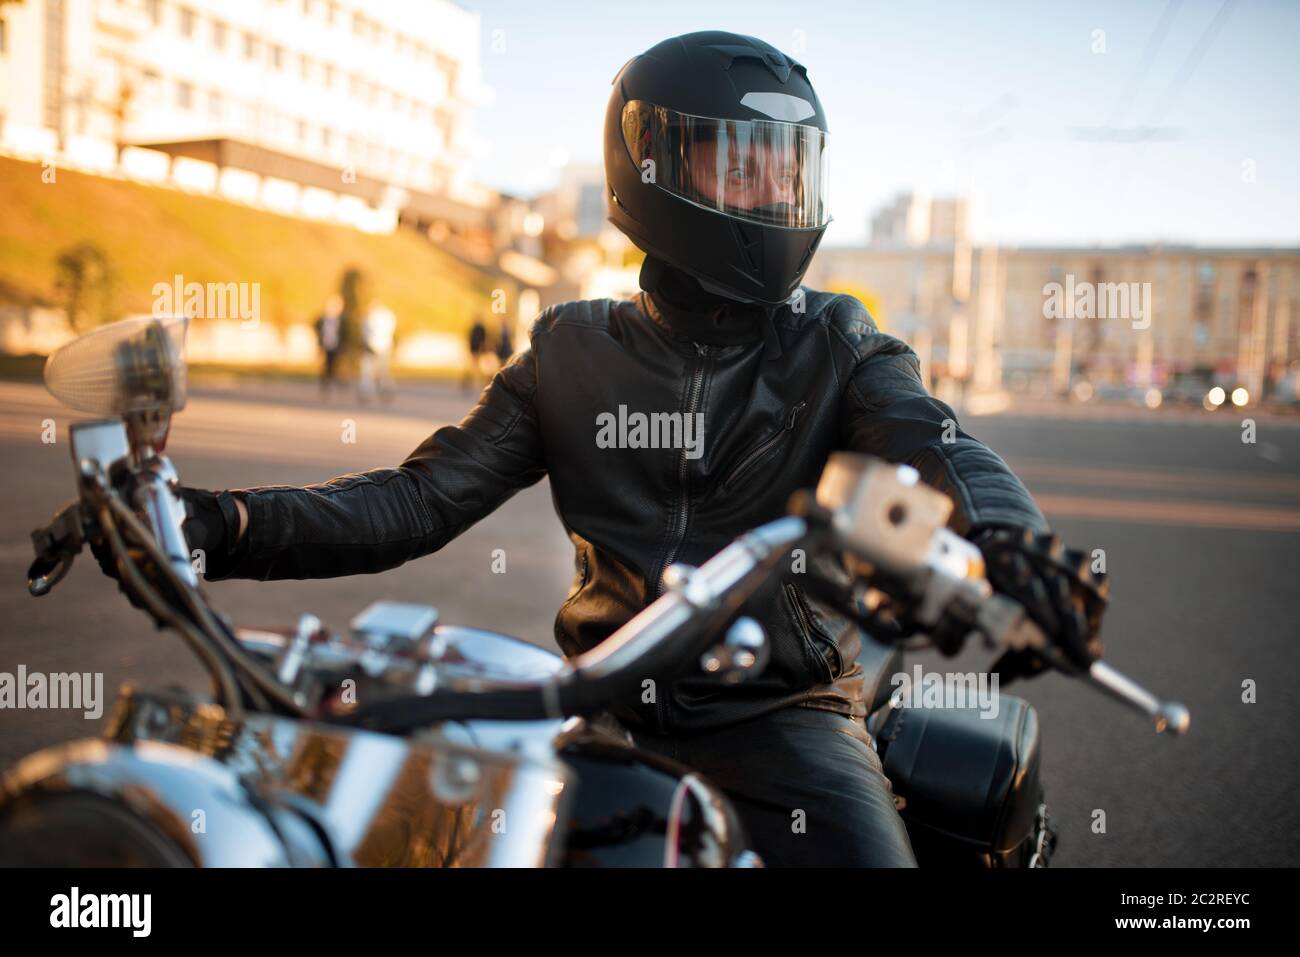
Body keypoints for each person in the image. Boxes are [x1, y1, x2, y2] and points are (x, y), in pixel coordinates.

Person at [125, 32, 1105, 867]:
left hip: (785, 714)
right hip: (601, 700)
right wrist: (221, 522)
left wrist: (1007, 541)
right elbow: (419, 500)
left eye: (786, 165)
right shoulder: (571, 350)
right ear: (655, 165)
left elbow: (937, 445)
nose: (771, 189)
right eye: (741, 161)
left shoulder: (837, 343)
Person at [357, 299, 397, 404]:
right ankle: (367, 391)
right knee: (368, 372)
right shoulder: (370, 316)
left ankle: (383, 390)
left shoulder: (382, 316)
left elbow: (384, 332)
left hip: (381, 347)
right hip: (374, 346)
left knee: (380, 372)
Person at [313, 294, 344, 395]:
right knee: (326, 365)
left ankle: (335, 383)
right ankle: (326, 384)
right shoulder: (322, 319)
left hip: (336, 345)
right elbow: (316, 327)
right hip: (326, 344)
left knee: (335, 365)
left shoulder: (341, 320)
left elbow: (345, 333)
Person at [463, 315, 490, 393]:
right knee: (474, 368)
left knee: (480, 369)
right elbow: (470, 339)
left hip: (479, 351)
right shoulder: (475, 328)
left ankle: (480, 383)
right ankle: (470, 383)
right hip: (475, 350)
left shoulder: (481, 328)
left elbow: (484, 340)